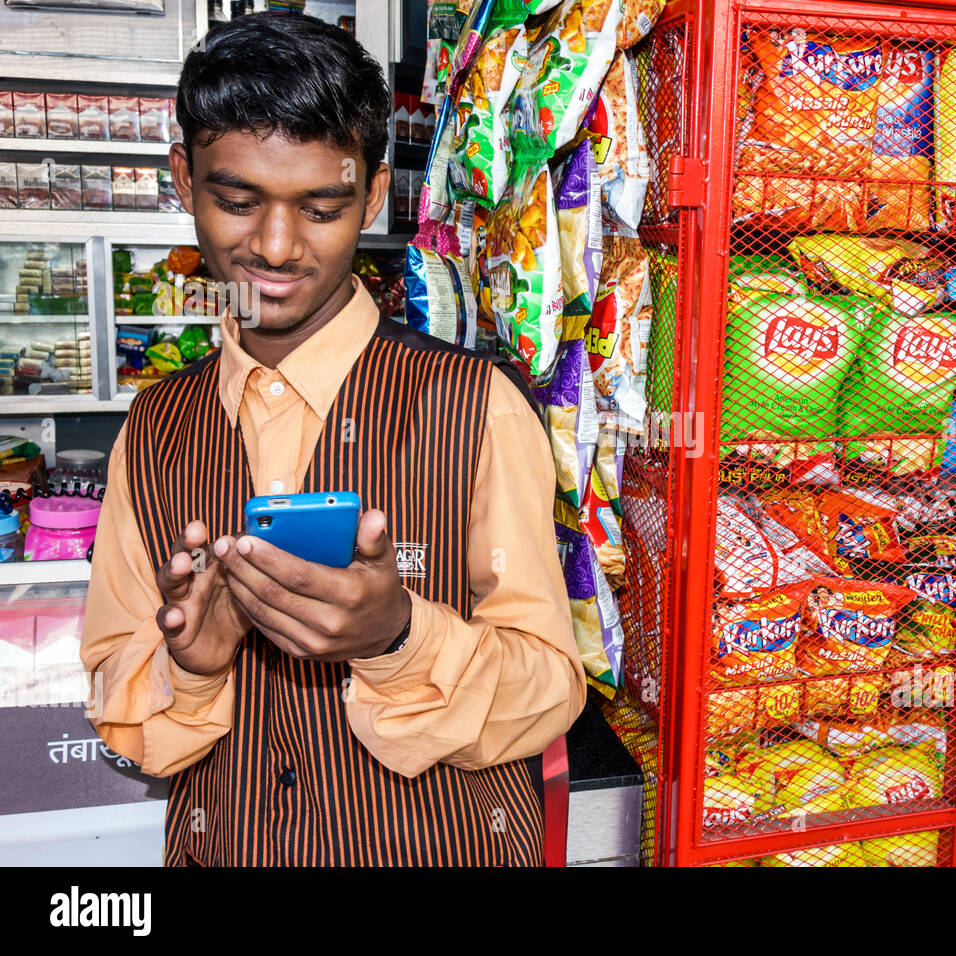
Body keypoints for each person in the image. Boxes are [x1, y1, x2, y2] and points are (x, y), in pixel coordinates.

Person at [80, 12, 585, 866]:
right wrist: (190, 668)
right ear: (184, 180)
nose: (275, 248)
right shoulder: (156, 428)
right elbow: (119, 710)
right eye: (237, 202)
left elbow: (550, 692)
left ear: (373, 195)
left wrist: (399, 638)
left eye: (321, 208)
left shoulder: (476, 407)